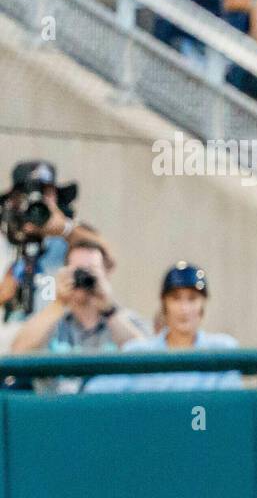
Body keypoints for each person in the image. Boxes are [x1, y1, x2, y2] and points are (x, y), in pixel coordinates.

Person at [9, 241, 149, 394]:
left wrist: (109, 310)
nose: (83, 277)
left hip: (110, 410)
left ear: (106, 274)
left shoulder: (125, 319)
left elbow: (148, 362)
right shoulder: (49, 322)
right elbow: (18, 353)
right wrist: (59, 303)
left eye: (91, 270)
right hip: (57, 411)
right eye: (77, 271)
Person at [83, 264, 243, 393]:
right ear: (164, 304)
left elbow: (229, 409)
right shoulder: (140, 353)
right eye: (176, 298)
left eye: (192, 299)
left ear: (203, 305)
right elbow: (95, 390)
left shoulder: (222, 349)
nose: (184, 308)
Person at [1, 162, 113, 323]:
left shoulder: (69, 239)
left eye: (45, 193)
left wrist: (64, 229)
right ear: (12, 200)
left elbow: (108, 257)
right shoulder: (3, 240)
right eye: (26, 193)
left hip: (59, 339)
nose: (36, 201)